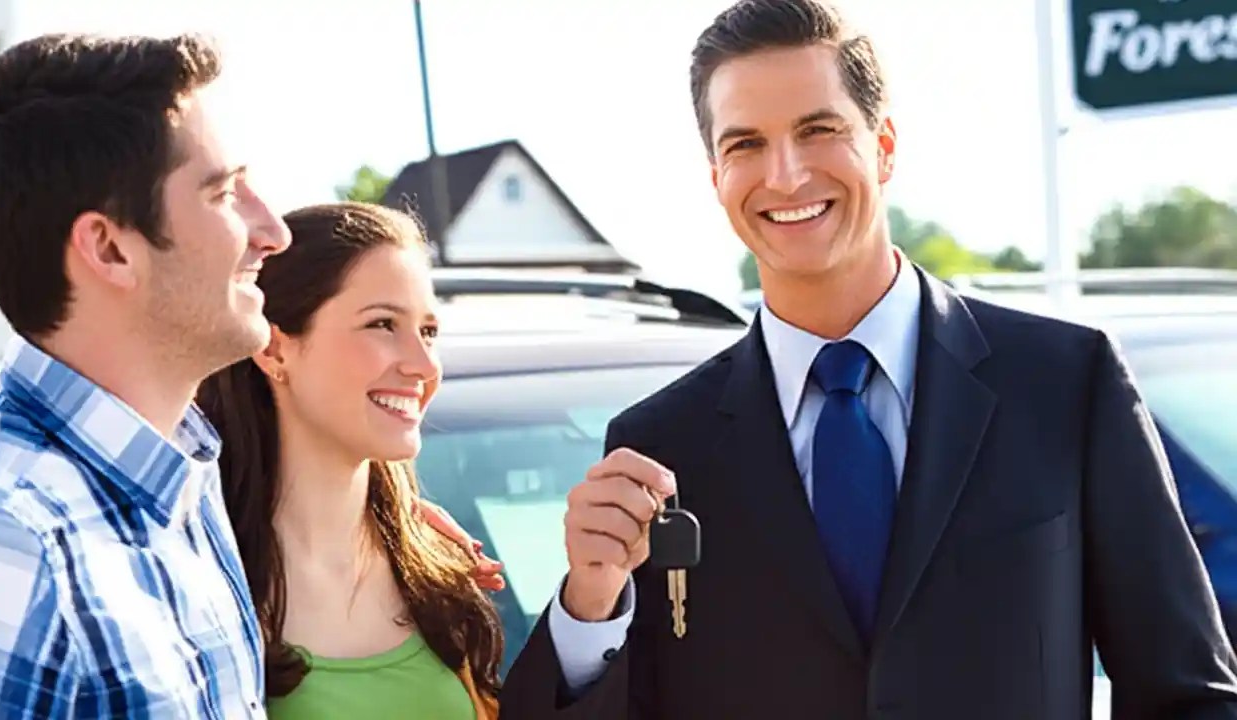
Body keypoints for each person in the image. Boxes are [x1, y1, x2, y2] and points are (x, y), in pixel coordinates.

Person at [498, 1, 1237, 718]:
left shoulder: (1065, 385)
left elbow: (1187, 695)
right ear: (715, 174)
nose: (784, 175)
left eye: (818, 130)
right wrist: (588, 609)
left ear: (883, 146)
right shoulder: (660, 445)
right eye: (745, 144)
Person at [0, 34, 482, 718]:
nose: (272, 231)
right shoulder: (5, 530)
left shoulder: (181, 474)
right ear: (110, 248)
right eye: (225, 193)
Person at [196, 201, 506, 720]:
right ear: (274, 351)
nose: (424, 365)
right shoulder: (200, 574)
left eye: (428, 331)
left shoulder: (441, 572)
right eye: (383, 324)